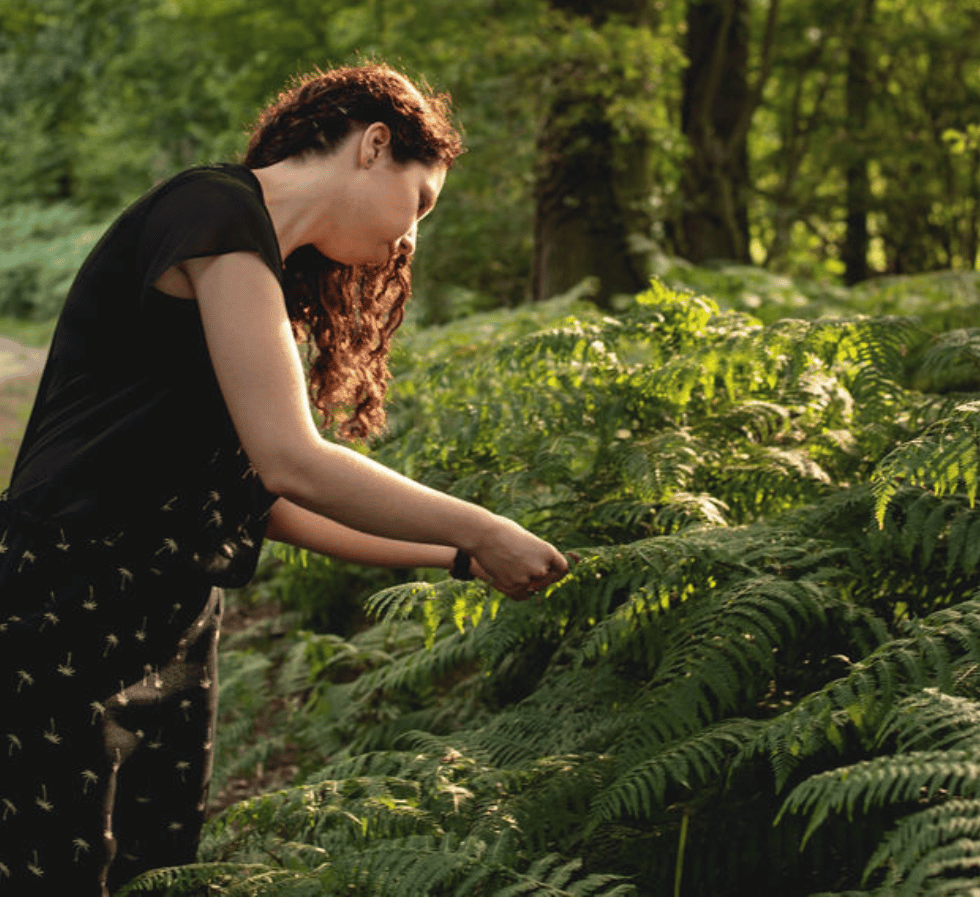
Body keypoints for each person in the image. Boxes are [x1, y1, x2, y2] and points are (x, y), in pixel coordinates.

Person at [0, 62, 569, 894]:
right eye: (420, 205)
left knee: (157, 875)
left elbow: (266, 502)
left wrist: (453, 559)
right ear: (374, 145)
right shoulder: (213, 211)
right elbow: (294, 457)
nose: (412, 241)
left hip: (175, 613)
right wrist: (479, 526)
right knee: (57, 874)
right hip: (68, 599)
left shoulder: (264, 282)